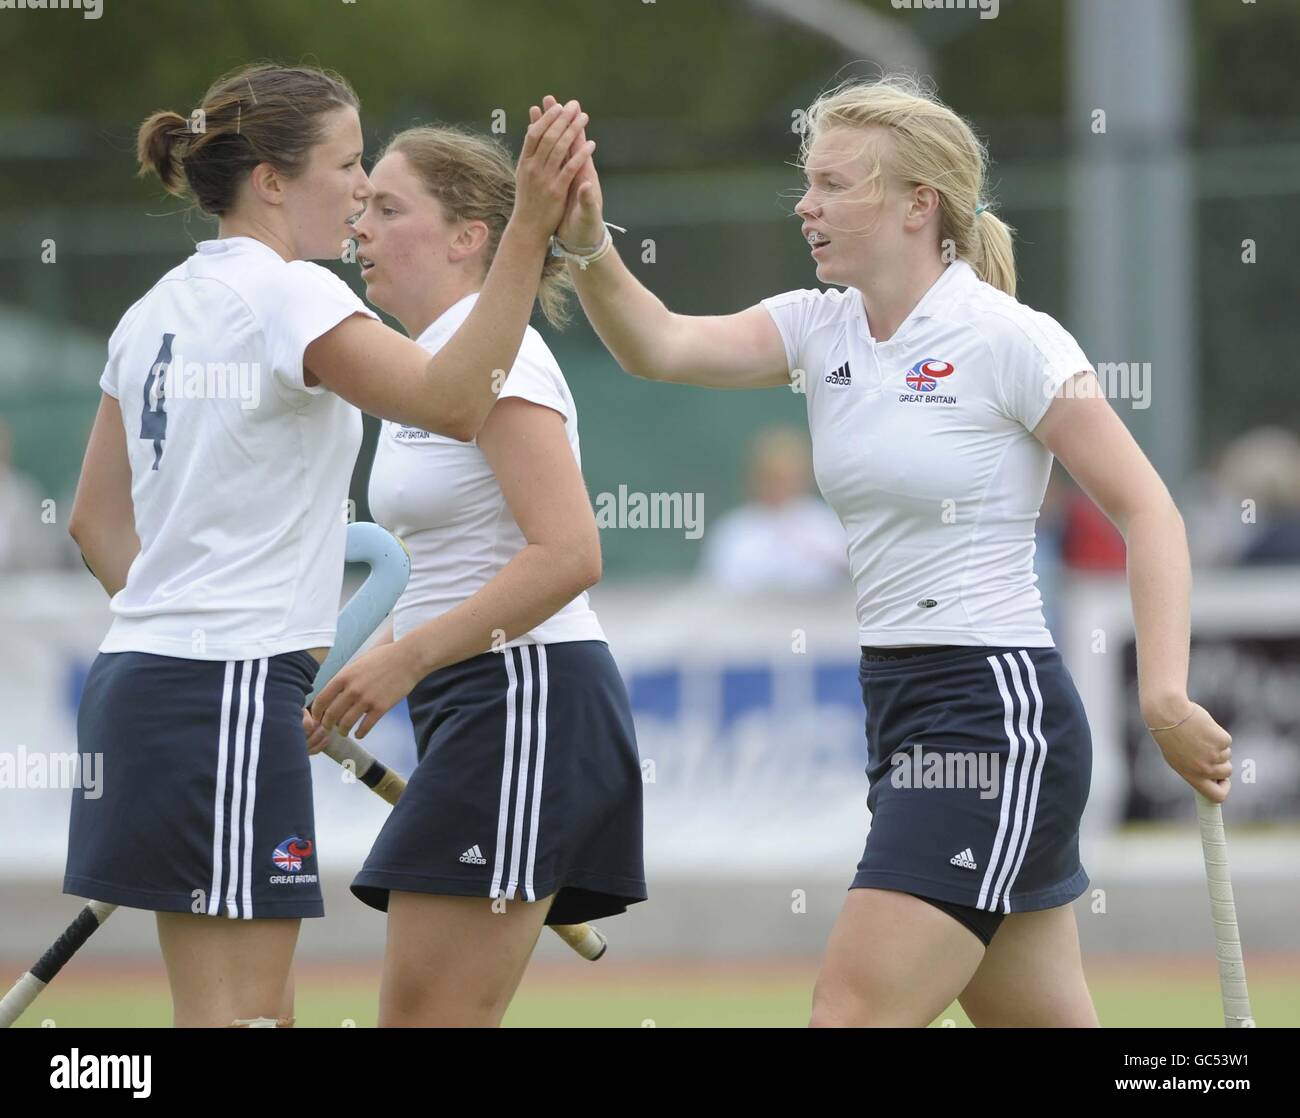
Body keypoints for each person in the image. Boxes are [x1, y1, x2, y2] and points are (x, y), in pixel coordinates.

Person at [541, 76, 1233, 1027]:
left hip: (993, 717)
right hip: (899, 706)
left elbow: (1150, 511)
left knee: (851, 1011)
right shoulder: (820, 325)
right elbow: (657, 344)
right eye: (806, 181)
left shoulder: (1010, 340)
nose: (805, 204)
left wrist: (1162, 696)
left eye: (831, 184)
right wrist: (585, 239)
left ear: (919, 205)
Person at [65, 62, 591, 1027]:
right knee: (245, 1019)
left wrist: (183, 625)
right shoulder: (293, 295)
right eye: (348, 166)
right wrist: (528, 229)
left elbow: (94, 524)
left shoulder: (150, 312)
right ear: (271, 178)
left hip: (146, 681)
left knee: (248, 1013)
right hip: (223, 688)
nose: (358, 192)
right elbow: (455, 398)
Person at [304, 124, 646, 1027]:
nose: (358, 225)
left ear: (468, 237)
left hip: (529, 698)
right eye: (360, 203)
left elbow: (570, 555)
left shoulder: (504, 357)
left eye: (387, 206)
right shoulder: (427, 369)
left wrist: (405, 661)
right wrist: (345, 682)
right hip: (478, 702)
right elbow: (431, 568)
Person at [699, 426, 848, 591]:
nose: (780, 486)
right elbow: (717, 591)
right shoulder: (734, 532)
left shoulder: (827, 525)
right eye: (772, 477)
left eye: (788, 477)